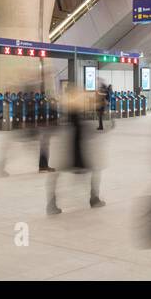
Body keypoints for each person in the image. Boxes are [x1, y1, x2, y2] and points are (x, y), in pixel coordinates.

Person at [47, 85, 104, 214]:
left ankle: (51, 203)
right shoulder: (75, 112)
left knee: (57, 175)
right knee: (95, 169)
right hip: (76, 151)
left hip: (69, 149)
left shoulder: (67, 111)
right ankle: (94, 199)